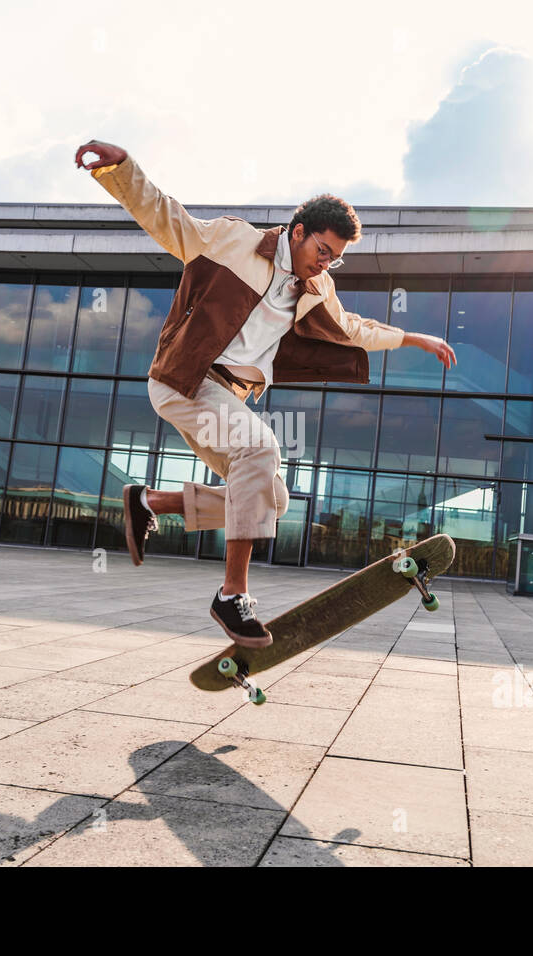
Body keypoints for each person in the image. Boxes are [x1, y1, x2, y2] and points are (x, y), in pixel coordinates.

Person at [75, 139, 456, 648]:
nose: (325, 264)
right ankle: (232, 595)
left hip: (226, 397)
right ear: (298, 233)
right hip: (187, 379)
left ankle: (150, 501)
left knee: (271, 499)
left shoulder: (318, 290)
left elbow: (354, 330)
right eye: (322, 251)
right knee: (261, 449)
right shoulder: (234, 241)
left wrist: (413, 338)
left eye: (335, 259)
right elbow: (169, 219)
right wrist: (123, 170)